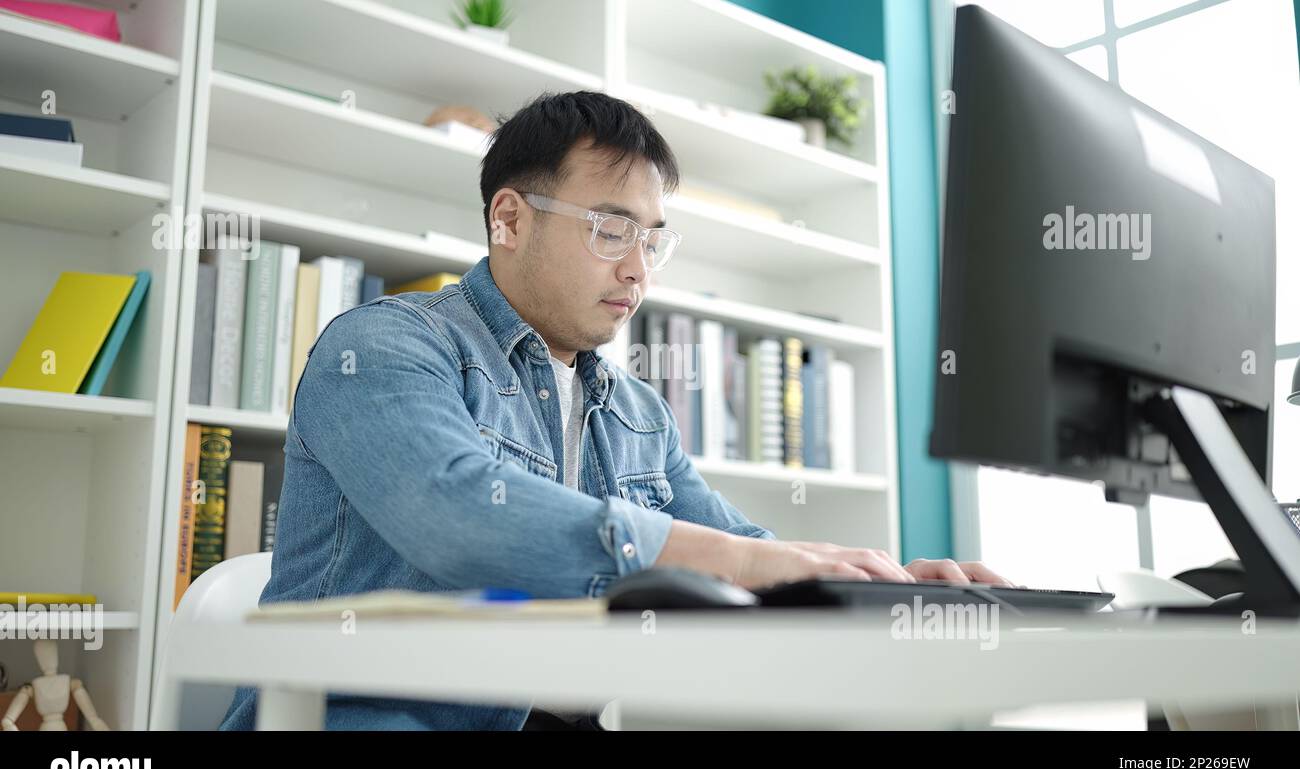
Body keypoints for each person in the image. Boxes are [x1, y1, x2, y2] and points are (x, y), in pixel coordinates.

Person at [220, 91, 1009, 732]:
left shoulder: (636, 412)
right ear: (509, 218)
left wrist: (884, 580)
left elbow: (741, 547)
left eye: (653, 240)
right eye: (610, 230)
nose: (638, 269)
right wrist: (742, 562)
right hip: (367, 715)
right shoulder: (384, 345)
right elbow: (453, 514)